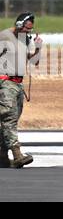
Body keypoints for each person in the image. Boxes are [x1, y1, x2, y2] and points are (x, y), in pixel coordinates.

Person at [0, 13, 41, 168]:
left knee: (10, 121)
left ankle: (2, 156)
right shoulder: (4, 37)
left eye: (30, 30)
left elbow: (34, 61)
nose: (28, 33)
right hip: (5, 83)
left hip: (18, 84)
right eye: (26, 29)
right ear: (18, 25)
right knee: (9, 119)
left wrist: (37, 48)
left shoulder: (24, 39)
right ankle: (17, 155)